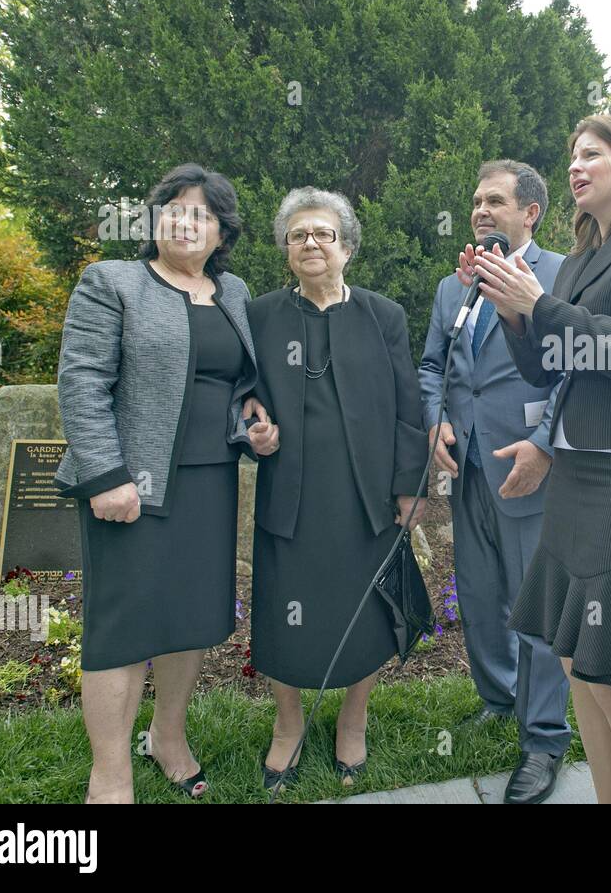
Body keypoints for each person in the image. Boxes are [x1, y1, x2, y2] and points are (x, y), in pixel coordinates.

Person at [465, 114, 611, 803]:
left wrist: (538, 303)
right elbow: (549, 367)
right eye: (572, 155)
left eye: (593, 153)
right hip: (577, 471)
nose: (577, 165)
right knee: (576, 662)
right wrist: (513, 310)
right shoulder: (578, 257)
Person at [54, 163, 260, 803]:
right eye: (174, 207)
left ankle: (168, 739)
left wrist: (252, 421)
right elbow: (82, 382)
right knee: (122, 629)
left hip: (209, 485)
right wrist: (107, 476)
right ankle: (110, 775)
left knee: (189, 619)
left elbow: (234, 384)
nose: (185, 220)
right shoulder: (112, 282)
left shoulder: (235, 294)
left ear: (221, 232)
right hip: (130, 491)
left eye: (201, 213)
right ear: (154, 218)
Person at [243, 188, 428, 790]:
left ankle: (354, 716)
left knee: (364, 607)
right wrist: (251, 427)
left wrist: (408, 487)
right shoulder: (261, 315)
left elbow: (407, 407)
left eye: (323, 234)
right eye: (298, 236)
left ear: (346, 246)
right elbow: (237, 395)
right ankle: (288, 723)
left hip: (364, 494)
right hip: (291, 492)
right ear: (286, 251)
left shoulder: (384, 316)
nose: (310, 244)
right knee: (283, 606)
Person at [419, 160, 571, 804]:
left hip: (529, 464)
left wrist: (544, 445)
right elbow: (432, 366)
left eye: (496, 201)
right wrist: (435, 425)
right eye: (477, 201)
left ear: (530, 212)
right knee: (479, 593)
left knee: (534, 603)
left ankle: (543, 738)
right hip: (470, 467)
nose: (481, 211)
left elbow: (575, 370)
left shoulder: (564, 274)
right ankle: (497, 696)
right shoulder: (456, 286)